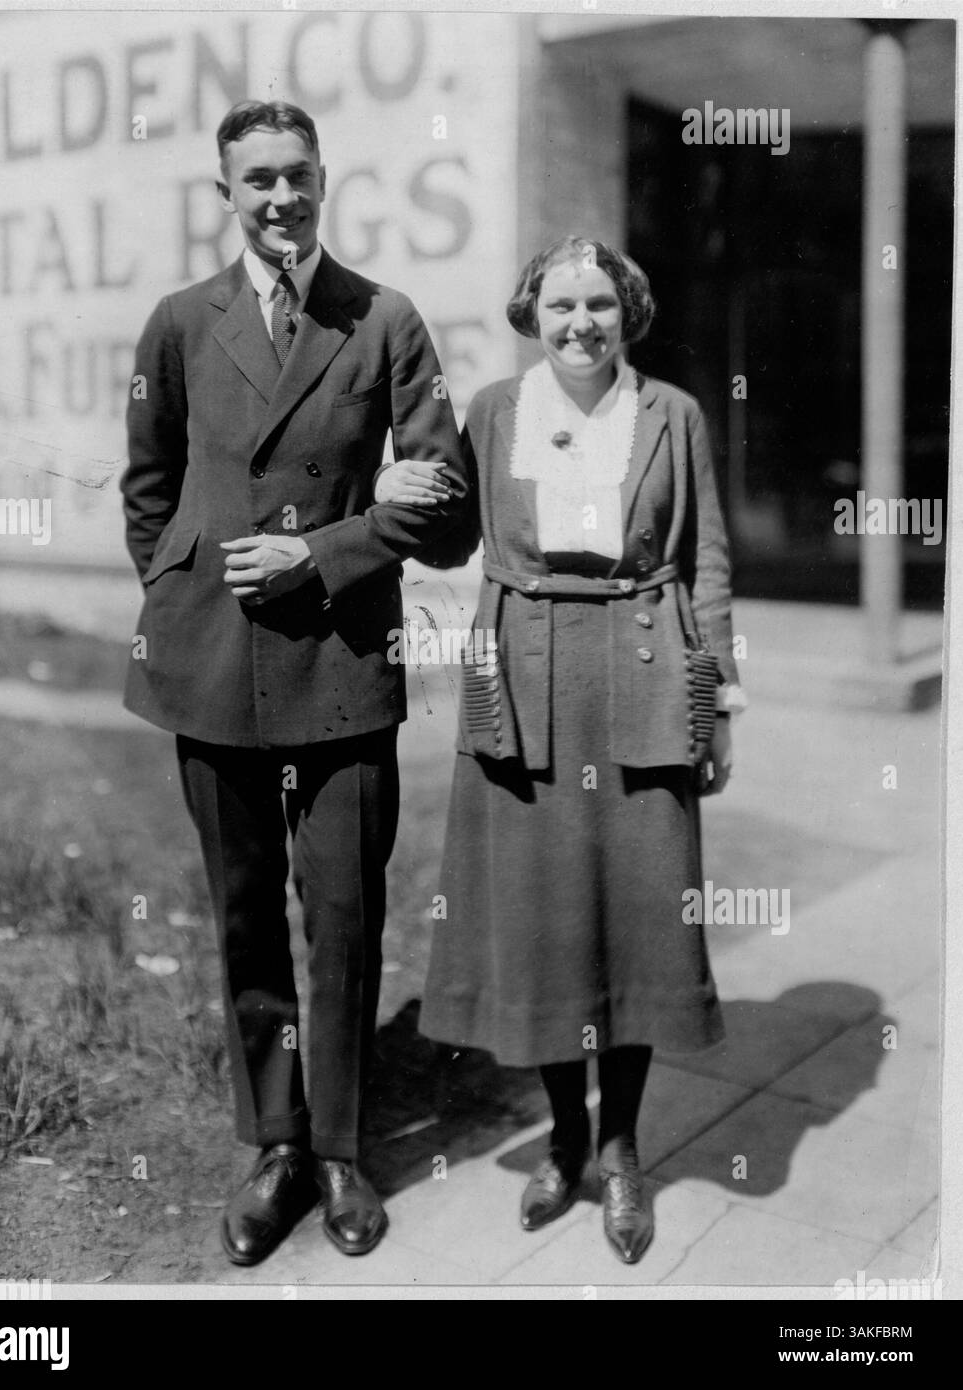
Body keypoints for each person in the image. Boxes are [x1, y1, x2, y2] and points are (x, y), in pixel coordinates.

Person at [120, 99, 466, 1265]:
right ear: (225, 194)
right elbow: (147, 486)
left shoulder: (383, 321)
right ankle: (275, 1147)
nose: (279, 198)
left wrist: (322, 554)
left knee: (345, 915)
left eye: (297, 176)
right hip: (209, 664)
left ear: (326, 179)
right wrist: (183, 599)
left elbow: (447, 506)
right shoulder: (178, 323)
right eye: (255, 180)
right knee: (241, 915)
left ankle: (342, 1150)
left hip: (340, 662)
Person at [375, 236, 745, 1263]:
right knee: (539, 920)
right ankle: (565, 1136)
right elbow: (450, 539)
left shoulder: (673, 413)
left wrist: (717, 699)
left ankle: (621, 1145)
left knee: (633, 917)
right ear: (530, 316)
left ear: (627, 312)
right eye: (559, 306)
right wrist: (404, 490)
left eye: (598, 304)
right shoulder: (494, 412)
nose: (578, 323)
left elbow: (705, 557)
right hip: (521, 674)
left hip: (645, 665)